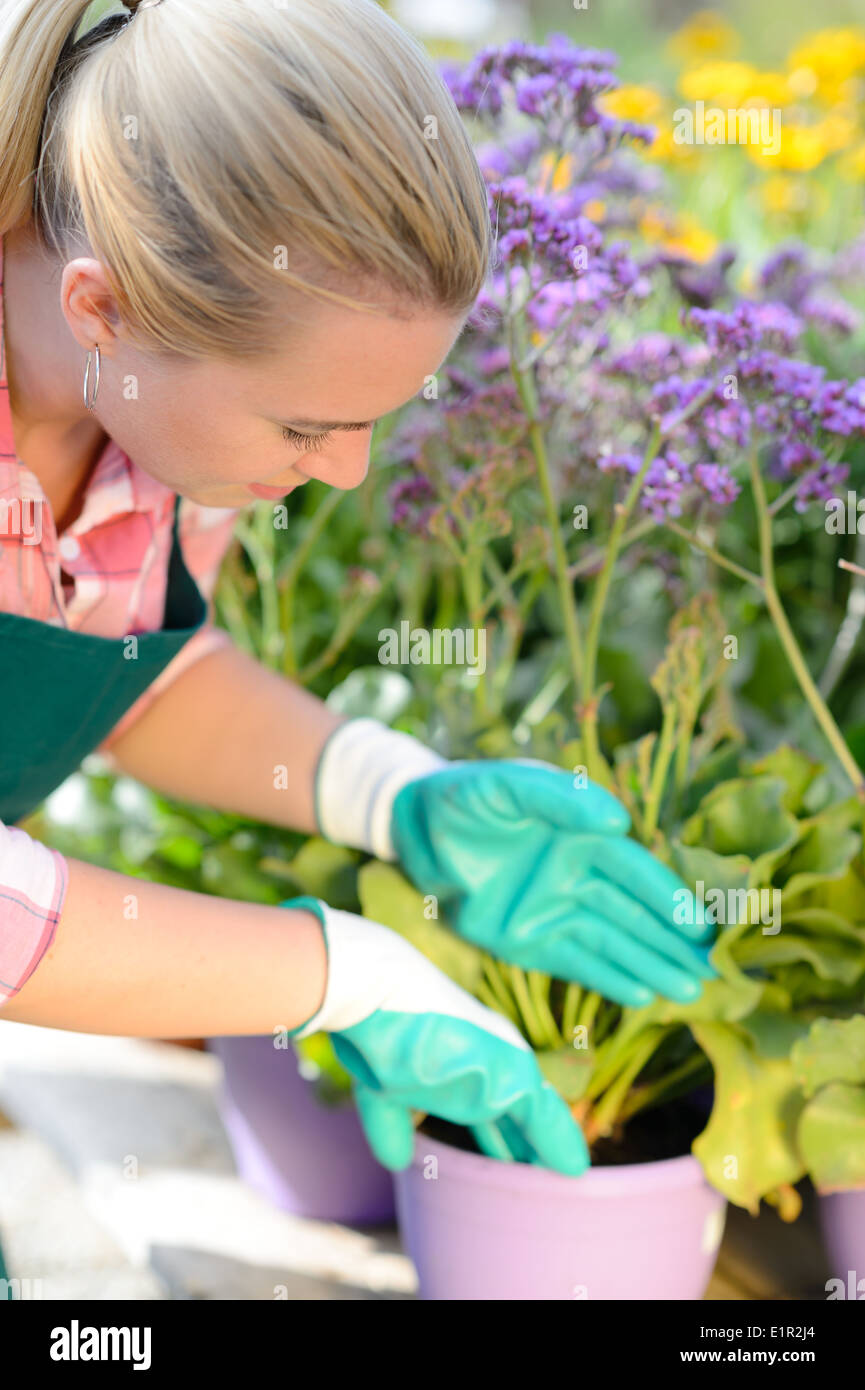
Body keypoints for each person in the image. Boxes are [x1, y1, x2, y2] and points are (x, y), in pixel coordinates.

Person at [0, 0, 715, 1194]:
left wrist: (389, 794)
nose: (346, 470)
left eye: (374, 417)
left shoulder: (159, 404)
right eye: (305, 424)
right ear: (101, 307)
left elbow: (124, 672)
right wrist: (332, 975)